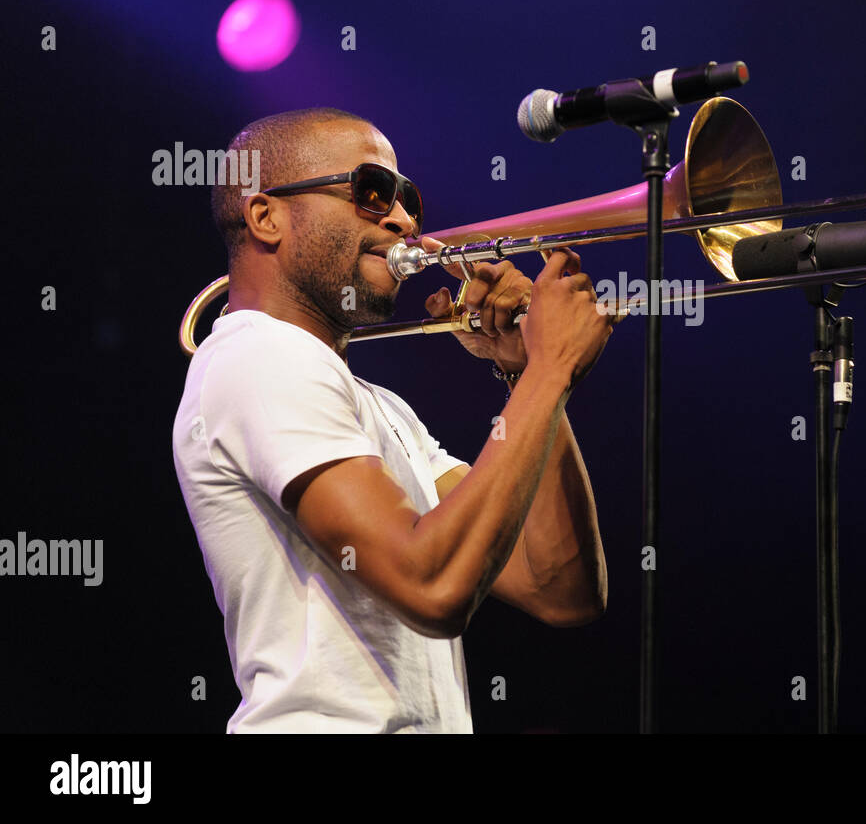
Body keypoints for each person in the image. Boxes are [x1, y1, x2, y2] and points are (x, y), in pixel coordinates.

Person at [172, 107, 615, 733]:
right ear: (266, 217)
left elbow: (560, 587)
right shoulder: (257, 354)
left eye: (409, 199)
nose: (404, 219)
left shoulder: (378, 405)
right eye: (371, 192)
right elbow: (430, 587)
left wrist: (525, 374)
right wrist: (549, 374)